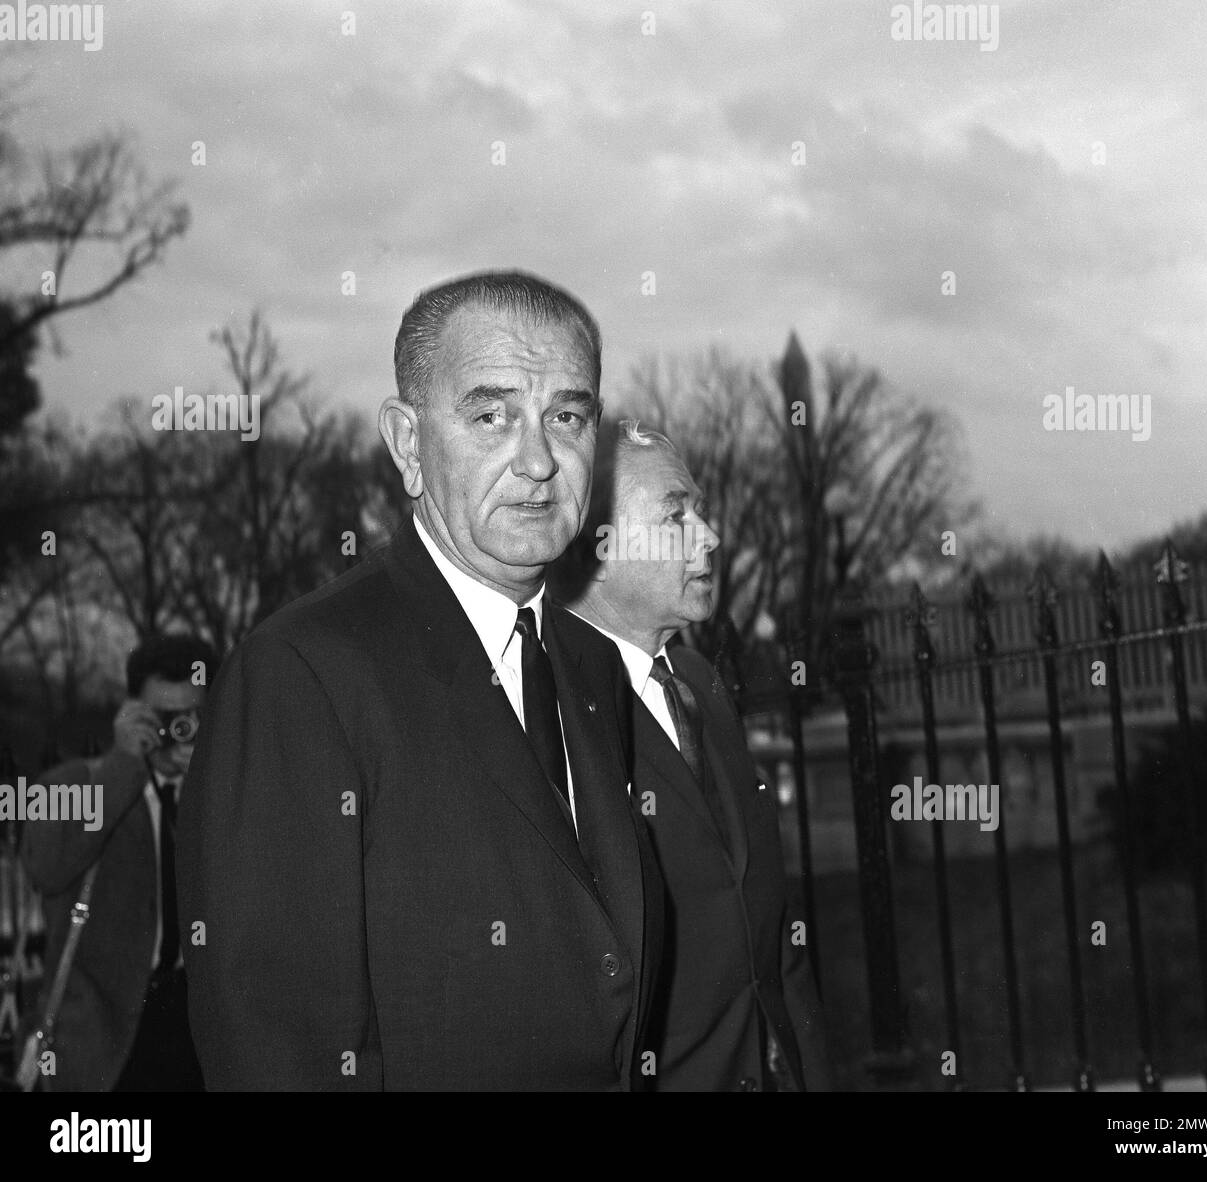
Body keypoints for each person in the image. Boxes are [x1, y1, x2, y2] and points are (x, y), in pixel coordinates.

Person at [177, 271, 663, 1091]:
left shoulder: (590, 668)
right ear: (407, 444)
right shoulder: (301, 677)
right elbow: (279, 1052)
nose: (540, 460)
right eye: (490, 415)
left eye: (568, 416)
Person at [553, 420, 832, 1091]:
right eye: (677, 514)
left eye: (700, 510)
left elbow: (771, 937)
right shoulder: (547, 715)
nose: (708, 535)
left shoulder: (700, 681)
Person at [21, 633, 215, 1091]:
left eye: (194, 716)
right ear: (132, 711)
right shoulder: (73, 785)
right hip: (101, 1042)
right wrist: (125, 763)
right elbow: (46, 868)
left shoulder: (217, 792)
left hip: (196, 1033)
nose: (181, 730)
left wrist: (212, 770)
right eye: (167, 718)